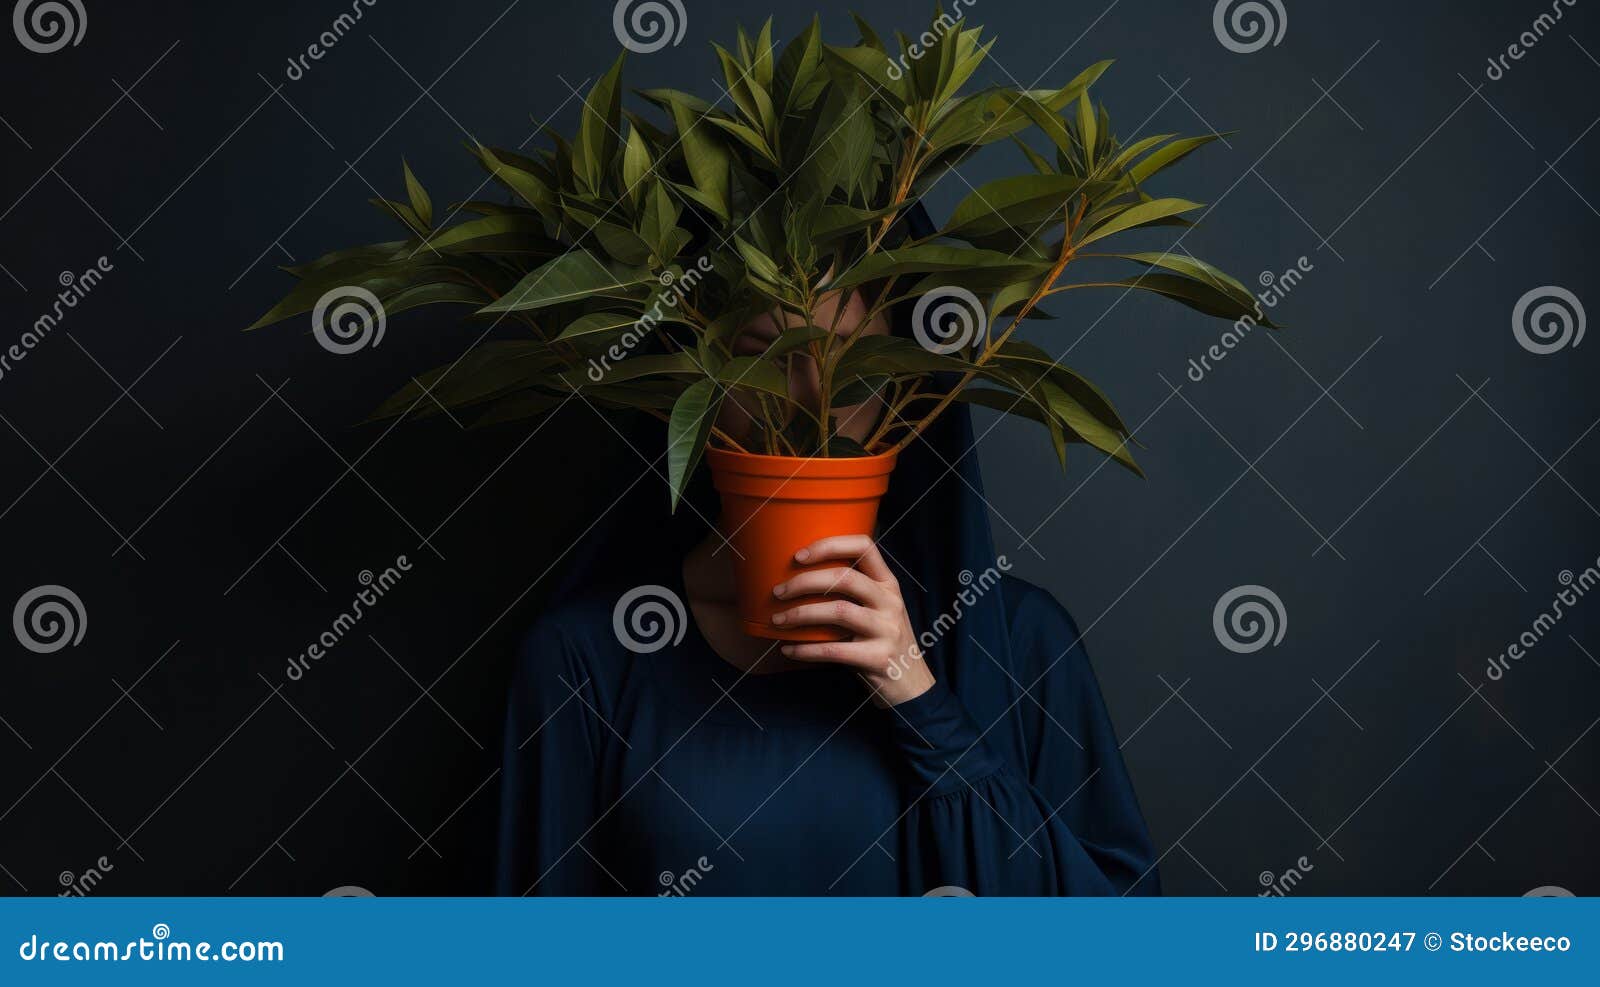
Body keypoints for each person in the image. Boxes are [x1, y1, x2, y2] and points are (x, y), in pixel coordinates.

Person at [496, 215, 1159, 897]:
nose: (811, 405)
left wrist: (918, 697)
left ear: (906, 389)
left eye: (854, 367)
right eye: (766, 358)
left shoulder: (1019, 643)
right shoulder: (585, 662)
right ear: (693, 382)